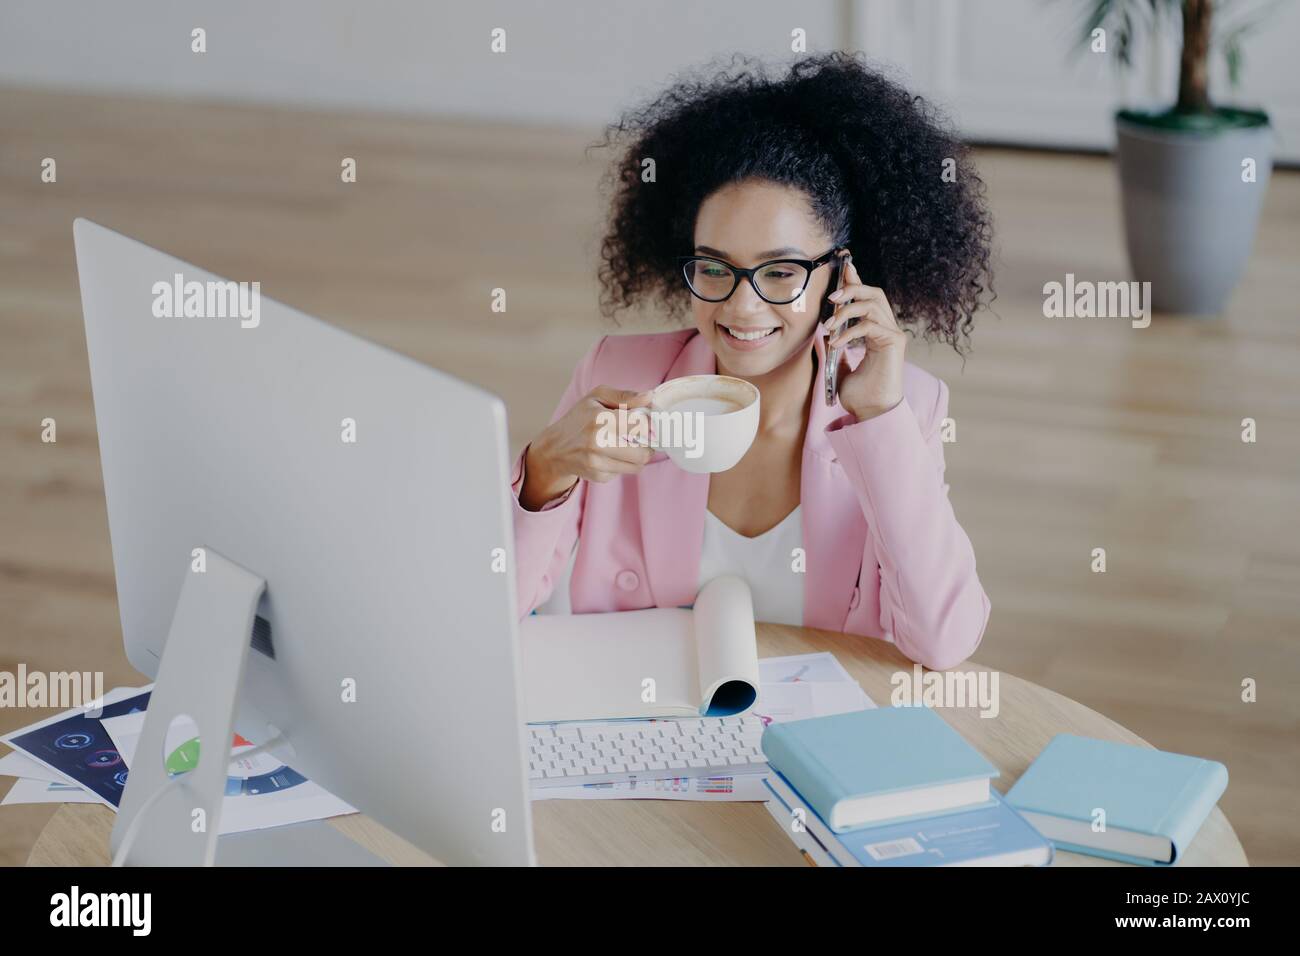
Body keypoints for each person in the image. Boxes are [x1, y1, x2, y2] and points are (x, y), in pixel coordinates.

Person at [510, 52, 994, 670]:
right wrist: (543, 472)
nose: (740, 307)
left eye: (782, 271)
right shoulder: (620, 379)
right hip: (650, 732)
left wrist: (877, 416)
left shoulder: (903, 410)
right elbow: (490, 610)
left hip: (813, 741)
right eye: (713, 267)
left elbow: (943, 641)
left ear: (842, 274)